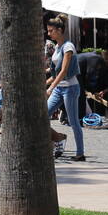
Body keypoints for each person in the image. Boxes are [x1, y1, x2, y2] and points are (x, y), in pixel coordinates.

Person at [45, 16, 85, 161]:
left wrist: (50, 88)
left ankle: (80, 153)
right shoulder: (57, 47)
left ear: (60, 30)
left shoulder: (68, 47)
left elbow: (63, 71)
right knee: (43, 116)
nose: (49, 34)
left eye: (51, 31)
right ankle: (57, 141)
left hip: (70, 88)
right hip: (59, 88)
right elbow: (55, 72)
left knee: (73, 121)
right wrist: (46, 83)